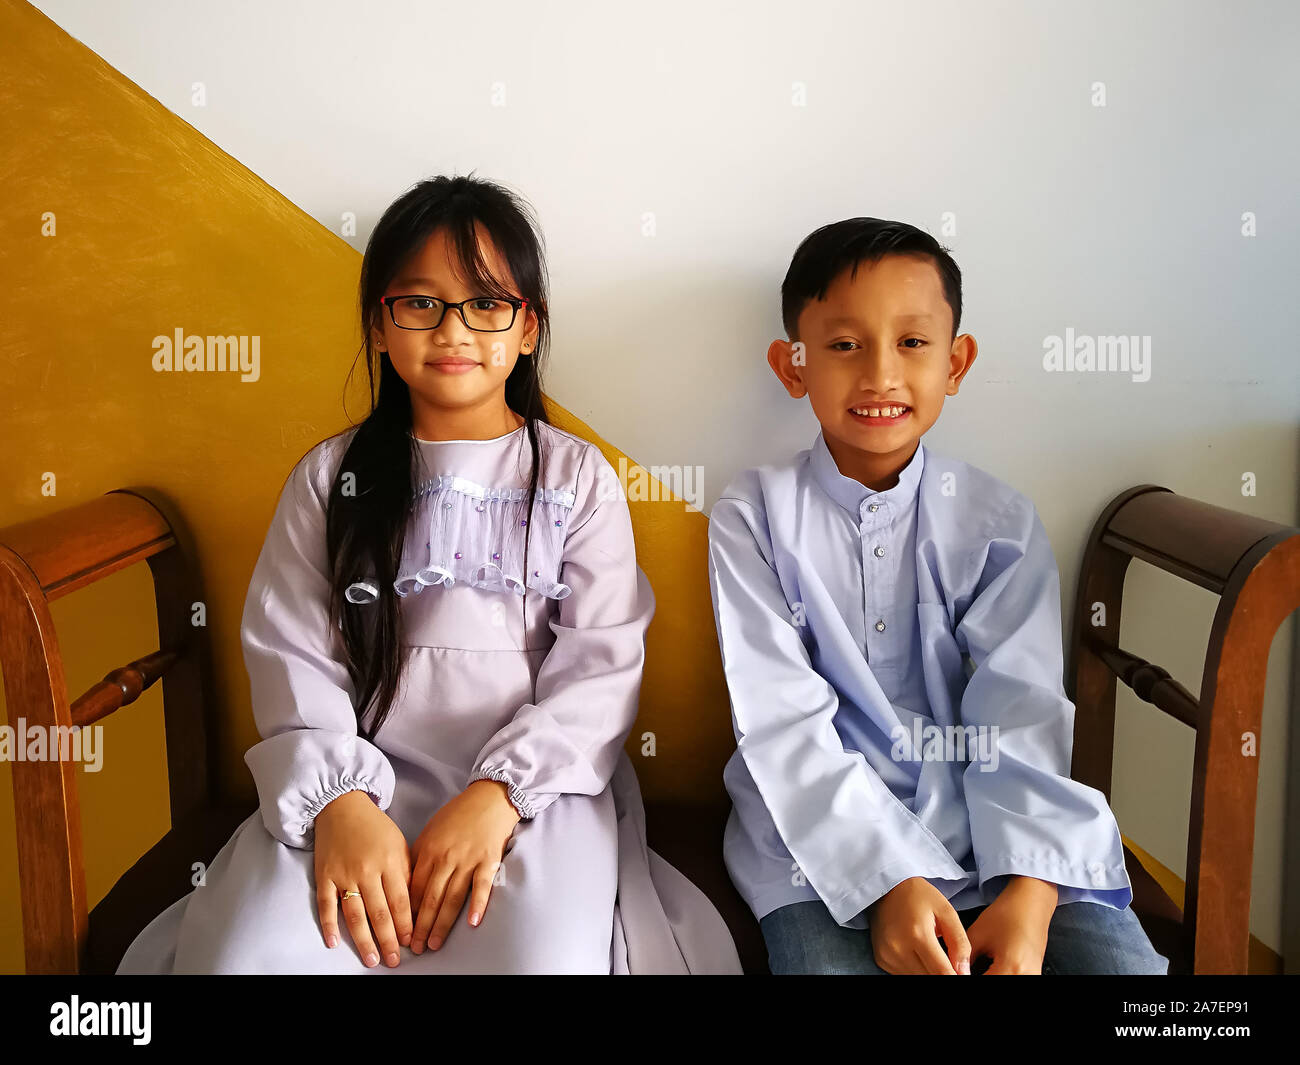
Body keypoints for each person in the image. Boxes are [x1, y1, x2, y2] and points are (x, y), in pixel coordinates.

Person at [118, 174, 741, 974]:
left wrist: (498, 796)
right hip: (355, 786)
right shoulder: (330, 478)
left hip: (529, 800)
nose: (454, 329)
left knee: (543, 961)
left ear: (527, 329)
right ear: (380, 325)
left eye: (486, 304)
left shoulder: (575, 479)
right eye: (420, 303)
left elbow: (602, 664)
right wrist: (339, 801)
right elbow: (291, 651)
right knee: (250, 958)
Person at [706, 217, 1168, 975]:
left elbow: (1020, 712)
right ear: (793, 366)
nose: (881, 374)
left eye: (913, 343)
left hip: (1001, 832)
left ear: (957, 362)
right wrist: (887, 883)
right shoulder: (754, 516)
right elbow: (781, 722)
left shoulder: (996, 522)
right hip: (818, 849)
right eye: (845, 345)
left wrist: (1029, 890)